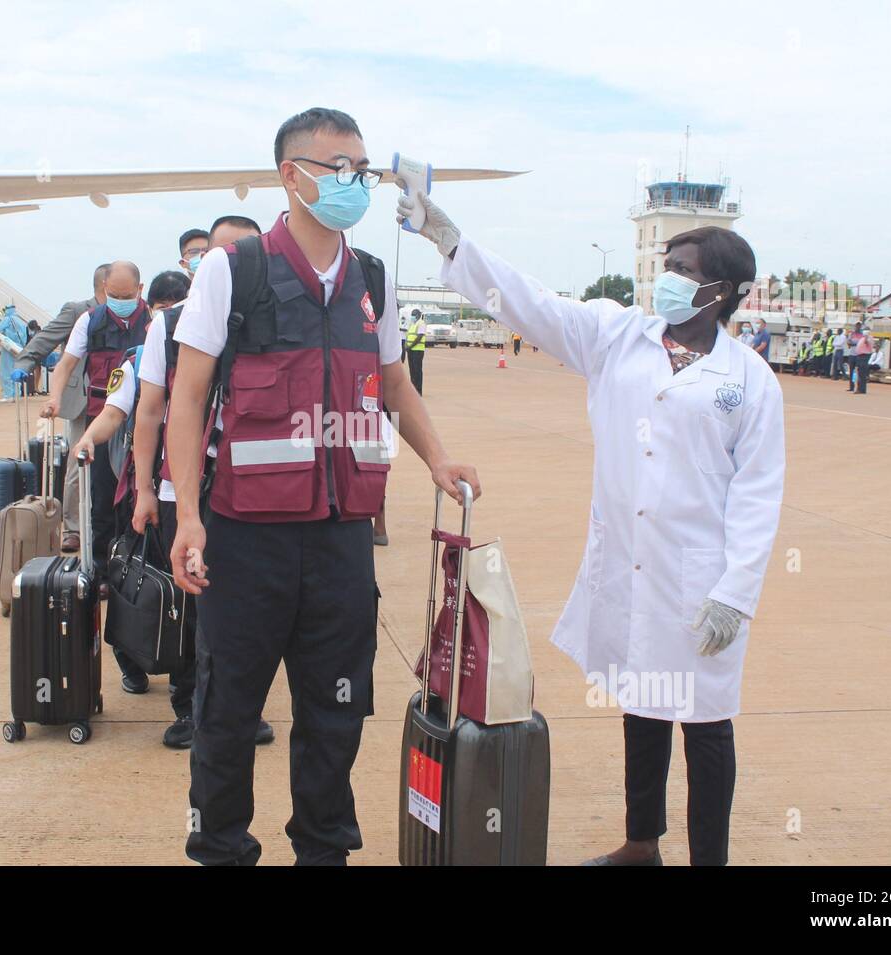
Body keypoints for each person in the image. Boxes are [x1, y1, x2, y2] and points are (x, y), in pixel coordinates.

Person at [402, 188, 785, 866]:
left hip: (702, 578)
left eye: (685, 269)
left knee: (705, 725)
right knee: (643, 702)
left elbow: (758, 492)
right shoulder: (616, 336)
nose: (666, 278)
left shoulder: (750, 380)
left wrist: (736, 591)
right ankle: (642, 844)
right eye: (666, 262)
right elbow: (533, 304)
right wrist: (451, 241)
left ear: (722, 290)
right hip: (631, 566)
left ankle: (710, 860)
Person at [165, 107, 479, 866]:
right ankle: (221, 845)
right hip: (246, 535)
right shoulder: (231, 271)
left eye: (362, 170)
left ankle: (324, 849)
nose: (353, 183)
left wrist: (437, 458)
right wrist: (188, 518)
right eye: (337, 168)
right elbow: (186, 397)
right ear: (291, 174)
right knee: (228, 707)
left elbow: (394, 383)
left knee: (337, 707)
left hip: (342, 535)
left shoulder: (370, 278)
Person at [123, 226, 275, 750]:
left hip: (253, 488)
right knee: (192, 604)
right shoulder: (167, 324)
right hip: (184, 487)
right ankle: (190, 705)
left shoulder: (269, 315)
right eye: (209, 252)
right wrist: (145, 489)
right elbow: (149, 410)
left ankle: (242, 705)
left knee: (248, 605)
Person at [41, 262, 151, 580]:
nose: (119, 300)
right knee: (101, 495)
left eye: (126, 295)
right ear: (104, 290)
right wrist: (55, 397)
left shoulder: (152, 321)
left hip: (140, 417)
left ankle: (135, 565)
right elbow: (65, 364)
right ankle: (101, 570)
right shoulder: (89, 321)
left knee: (137, 491)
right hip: (101, 417)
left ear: (139, 290)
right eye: (113, 294)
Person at [16, 264, 109, 552]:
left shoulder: (134, 314)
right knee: (77, 463)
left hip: (117, 399)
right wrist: (23, 363)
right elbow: (46, 339)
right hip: (82, 400)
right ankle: (74, 528)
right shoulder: (77, 310)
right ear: (105, 285)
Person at [0, 304, 29, 403]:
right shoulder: (20, 320)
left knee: (6, 371)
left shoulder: (8, 319)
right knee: (17, 370)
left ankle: (8, 395)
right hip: (19, 349)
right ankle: (17, 394)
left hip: (9, 348)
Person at [405, 307, 426, 394]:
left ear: (418, 315)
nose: (412, 316)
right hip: (410, 350)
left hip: (418, 350)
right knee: (412, 370)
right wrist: (406, 345)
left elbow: (419, 336)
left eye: (414, 315)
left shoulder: (421, 323)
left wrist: (410, 346)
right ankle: (413, 388)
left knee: (417, 370)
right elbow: (408, 336)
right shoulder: (412, 324)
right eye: (412, 315)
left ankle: (418, 389)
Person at [852, 321, 875, 394]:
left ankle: (861, 389)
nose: (864, 331)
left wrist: (866, 336)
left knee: (862, 373)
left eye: (866, 330)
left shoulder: (869, 338)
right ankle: (861, 389)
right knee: (859, 373)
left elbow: (867, 343)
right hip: (859, 356)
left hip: (864, 356)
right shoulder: (862, 338)